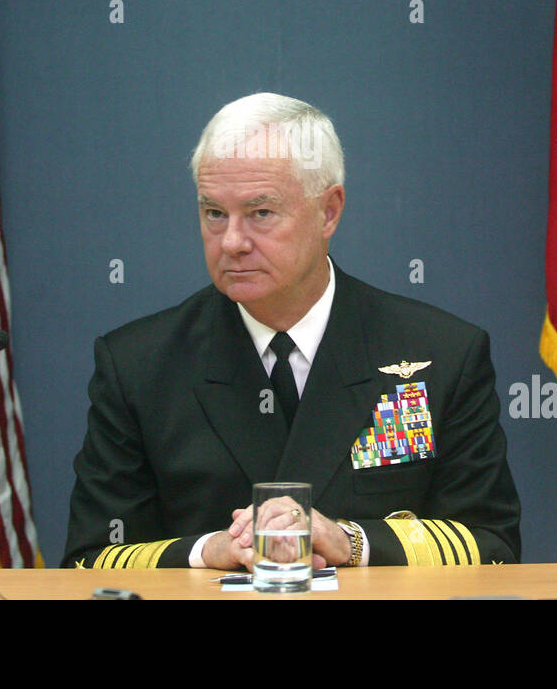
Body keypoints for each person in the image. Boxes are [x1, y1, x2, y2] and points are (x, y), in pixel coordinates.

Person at [63, 93, 521, 569]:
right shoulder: (139, 365)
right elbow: (90, 559)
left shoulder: (439, 353)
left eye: (261, 213)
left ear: (329, 212)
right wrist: (207, 551)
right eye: (214, 213)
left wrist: (352, 541)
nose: (233, 242)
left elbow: (493, 545)